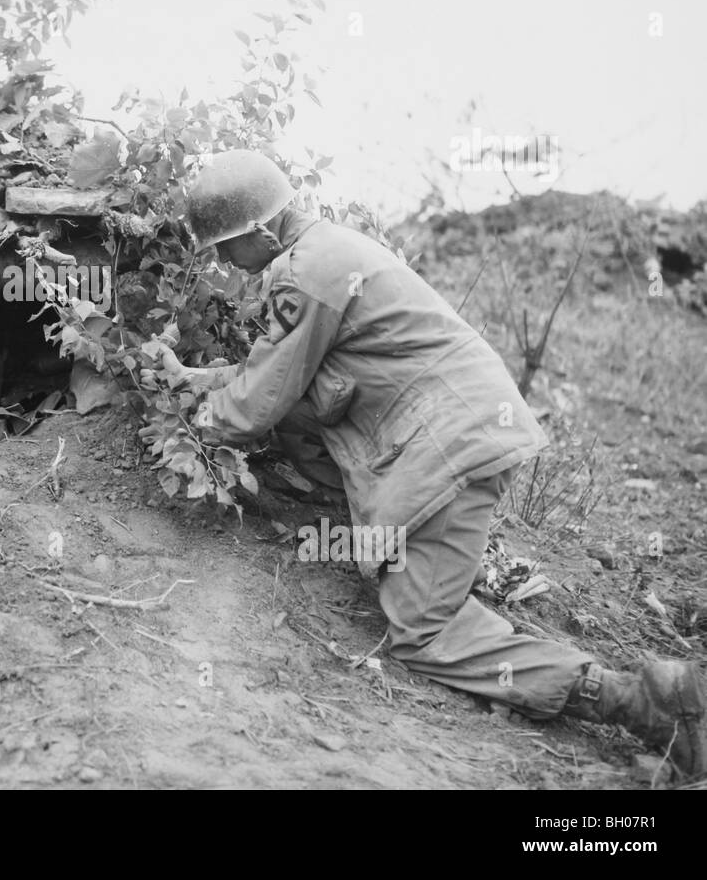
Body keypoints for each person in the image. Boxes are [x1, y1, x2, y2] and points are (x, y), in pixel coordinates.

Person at [156, 149, 704, 778]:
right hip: (457, 429)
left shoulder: (302, 273)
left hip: (449, 445)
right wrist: (195, 379)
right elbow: (285, 374)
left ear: (258, 231)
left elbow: (257, 403)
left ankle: (637, 700)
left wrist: (192, 427)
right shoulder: (325, 254)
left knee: (423, 633)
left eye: (224, 247)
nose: (224, 262)